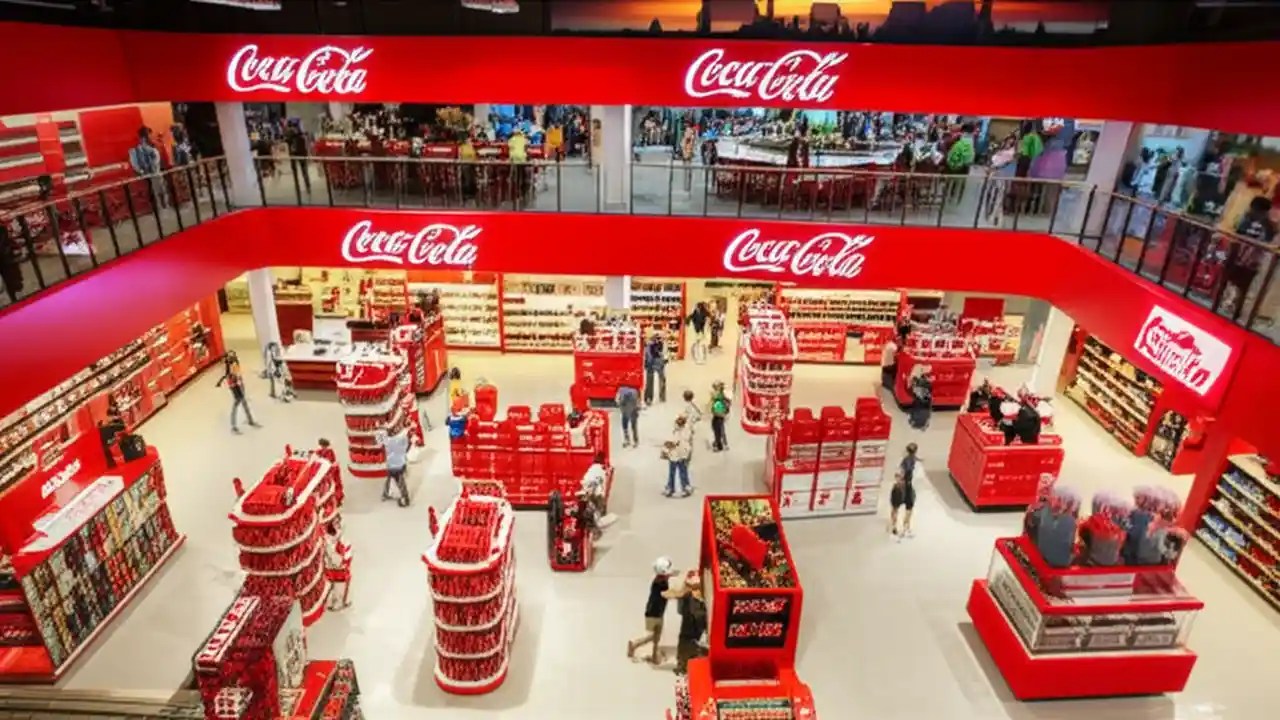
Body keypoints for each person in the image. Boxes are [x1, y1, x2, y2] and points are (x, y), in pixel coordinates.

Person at [1224, 196, 1276, 321]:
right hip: (1241, 258)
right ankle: (1229, 305)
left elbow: (1268, 239)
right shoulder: (1247, 218)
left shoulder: (1267, 225)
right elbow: (1238, 234)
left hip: (1251, 261)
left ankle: (1236, 311)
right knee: (1234, 282)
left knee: (1243, 286)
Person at [627, 557, 678, 665]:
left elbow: (669, 575)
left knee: (657, 636)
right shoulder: (661, 584)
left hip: (657, 612)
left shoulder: (659, 580)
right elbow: (666, 594)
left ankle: (655, 656)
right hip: (654, 613)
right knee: (653, 636)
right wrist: (677, 594)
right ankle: (635, 644)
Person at [216, 351, 260, 434]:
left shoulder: (234, 363)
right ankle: (234, 426)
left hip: (238, 384)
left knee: (244, 402)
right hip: (235, 386)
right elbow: (231, 376)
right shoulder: (228, 366)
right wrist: (236, 381)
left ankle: (250, 420)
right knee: (237, 403)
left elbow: (238, 373)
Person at [673, 571, 708, 675]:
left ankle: (684, 666)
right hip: (689, 632)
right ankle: (682, 667)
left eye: (698, 588)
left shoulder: (701, 600)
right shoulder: (689, 599)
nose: (697, 591)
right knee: (685, 649)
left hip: (694, 632)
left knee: (690, 649)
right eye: (694, 588)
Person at [889, 443, 919, 538]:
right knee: (907, 507)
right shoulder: (911, 462)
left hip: (902, 487)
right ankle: (903, 527)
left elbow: (898, 475)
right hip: (906, 487)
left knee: (897, 507)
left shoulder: (905, 461)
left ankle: (896, 526)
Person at [375, 427, 411, 507]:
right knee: (400, 481)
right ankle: (404, 496)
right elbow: (406, 447)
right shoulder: (401, 438)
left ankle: (386, 494)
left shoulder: (388, 441)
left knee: (391, 479)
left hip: (392, 465)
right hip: (398, 464)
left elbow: (378, 441)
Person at [322, 520, 352, 610]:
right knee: (334, 590)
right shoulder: (328, 542)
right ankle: (335, 603)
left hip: (337, 572)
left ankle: (336, 602)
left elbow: (344, 559)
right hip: (333, 572)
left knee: (336, 590)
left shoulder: (342, 542)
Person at [664, 416, 693, 497]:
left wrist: (688, 454)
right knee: (672, 473)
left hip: (682, 455)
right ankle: (671, 487)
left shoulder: (686, 431)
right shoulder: (674, 431)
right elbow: (669, 442)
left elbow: (688, 443)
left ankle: (685, 487)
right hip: (674, 455)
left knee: (683, 472)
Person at [945, 122, 976, 201]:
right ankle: (957, 197)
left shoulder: (959, 138)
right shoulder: (971, 140)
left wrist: (950, 159)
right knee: (960, 181)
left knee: (951, 180)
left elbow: (951, 148)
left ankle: (949, 194)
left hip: (956, 163)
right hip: (965, 164)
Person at [579, 451, 610, 521]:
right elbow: (599, 481)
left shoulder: (592, 469)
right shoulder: (600, 470)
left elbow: (586, 480)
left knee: (592, 509)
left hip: (589, 491)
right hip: (596, 493)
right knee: (599, 509)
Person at [285, 122, 311, 194]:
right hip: (301, 154)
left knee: (297, 171)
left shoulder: (289, 135)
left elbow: (286, 141)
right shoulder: (301, 135)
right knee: (304, 171)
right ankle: (307, 186)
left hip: (295, 154)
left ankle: (299, 187)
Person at [644, 333, 667, 406]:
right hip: (654, 361)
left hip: (656, 361)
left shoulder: (658, 343)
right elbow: (648, 354)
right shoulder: (650, 344)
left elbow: (663, 353)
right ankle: (652, 397)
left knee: (655, 380)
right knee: (653, 380)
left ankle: (651, 398)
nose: (658, 340)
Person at [616, 383, 640, 448]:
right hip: (630, 409)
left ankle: (630, 440)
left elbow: (617, 400)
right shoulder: (632, 391)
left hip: (630, 409)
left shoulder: (622, 391)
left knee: (627, 425)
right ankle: (634, 441)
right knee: (632, 426)